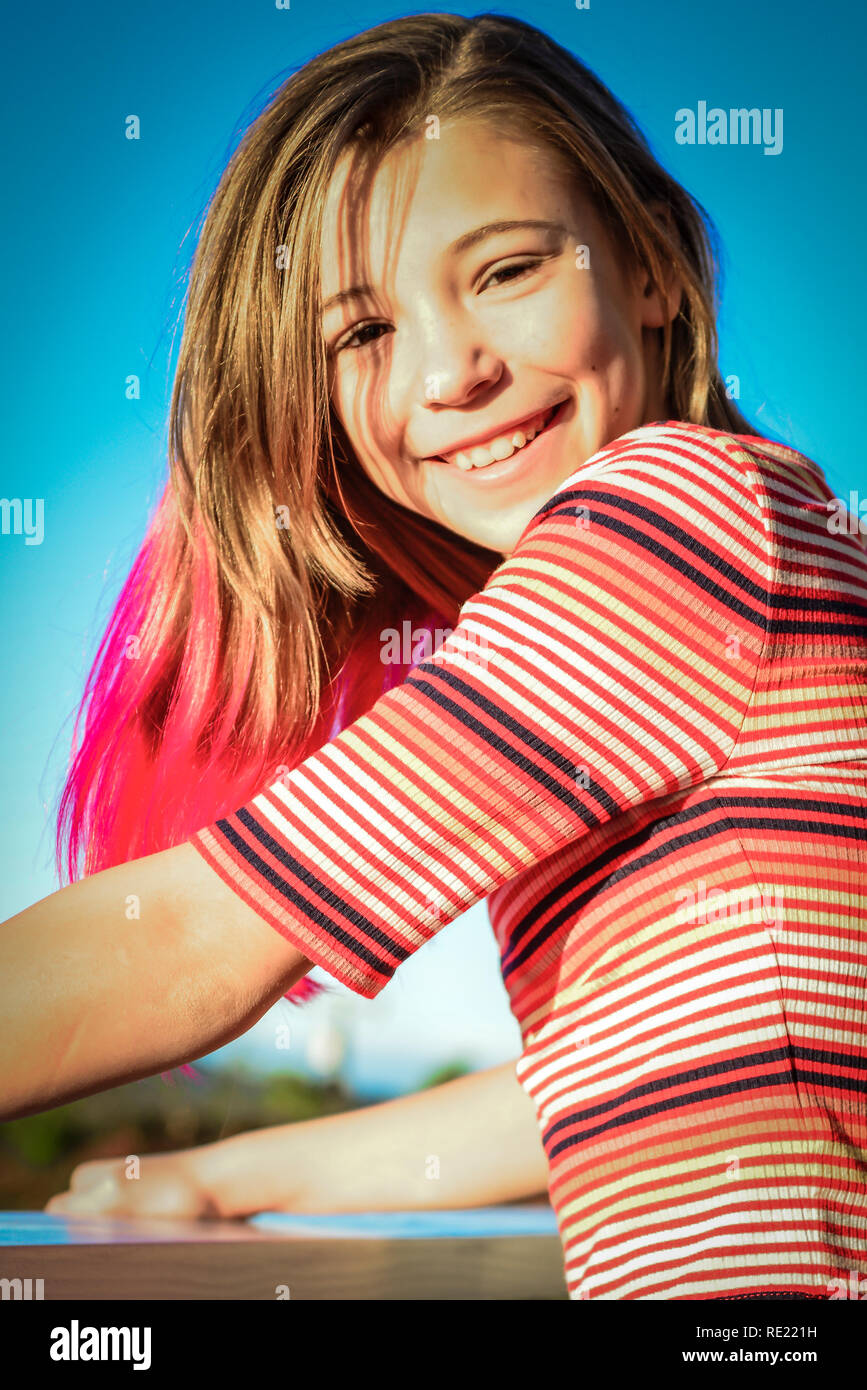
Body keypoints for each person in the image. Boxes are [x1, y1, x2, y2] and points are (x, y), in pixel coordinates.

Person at [2, 13, 865, 1301]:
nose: (450, 371)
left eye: (508, 270)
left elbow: (192, 940)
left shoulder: (679, 516)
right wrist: (235, 1174)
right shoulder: (750, 553)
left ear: (653, 269)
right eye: (364, 334)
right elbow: (609, 1084)